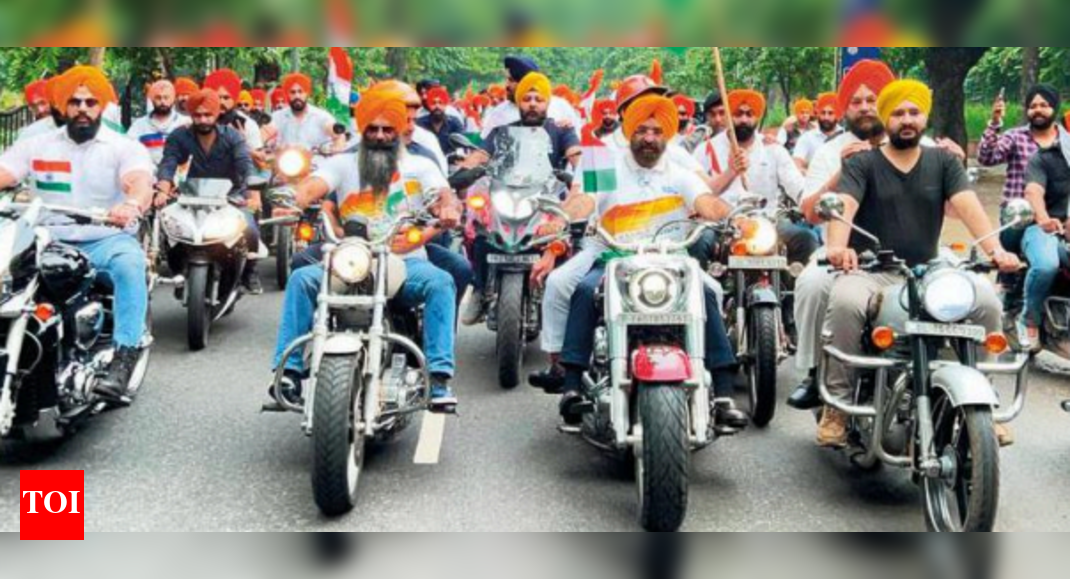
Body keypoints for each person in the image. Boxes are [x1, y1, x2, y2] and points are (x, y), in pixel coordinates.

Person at [818, 79, 1021, 448]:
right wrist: (837, 246)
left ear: (924, 117)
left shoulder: (943, 162)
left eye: (914, 112)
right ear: (886, 119)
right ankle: (839, 407)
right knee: (845, 302)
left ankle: (984, 403)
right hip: (872, 270)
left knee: (987, 301)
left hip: (929, 270)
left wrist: (996, 251)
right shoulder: (863, 163)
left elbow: (968, 206)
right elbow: (843, 205)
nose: (906, 119)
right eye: (898, 113)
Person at [553, 93, 748, 431]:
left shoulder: (678, 169)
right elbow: (585, 199)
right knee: (585, 291)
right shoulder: (606, 163)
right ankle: (571, 385)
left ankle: (724, 394)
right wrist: (561, 219)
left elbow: (706, 202)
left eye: (657, 132)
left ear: (667, 135)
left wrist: (737, 221)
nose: (649, 138)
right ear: (630, 131)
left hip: (672, 260)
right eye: (641, 130)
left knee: (709, 292)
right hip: (616, 257)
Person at [788, 60, 965, 412]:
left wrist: (957, 166)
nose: (866, 107)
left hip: (918, 255)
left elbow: (957, 210)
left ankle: (964, 379)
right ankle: (814, 371)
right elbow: (809, 212)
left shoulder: (923, 145)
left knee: (967, 287)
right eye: (857, 101)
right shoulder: (829, 150)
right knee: (811, 285)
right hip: (848, 256)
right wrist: (841, 172)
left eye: (873, 100)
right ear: (845, 108)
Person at [271, 90, 461, 414]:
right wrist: (293, 200)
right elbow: (313, 185)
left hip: (404, 261)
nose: (380, 136)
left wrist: (447, 209)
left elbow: (442, 194)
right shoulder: (342, 163)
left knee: (442, 282)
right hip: (350, 258)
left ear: (400, 130)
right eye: (372, 129)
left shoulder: (419, 165)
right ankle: (287, 373)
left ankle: (439, 378)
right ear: (362, 129)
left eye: (388, 130)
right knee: (302, 278)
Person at [0, 66, 154, 403]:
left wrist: (131, 204)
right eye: (74, 101)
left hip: (102, 237)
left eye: (90, 101)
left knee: (130, 266)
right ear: (61, 106)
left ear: (102, 107)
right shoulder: (36, 144)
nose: (82, 108)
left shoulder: (123, 147)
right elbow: (5, 172)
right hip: (43, 238)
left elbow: (140, 182)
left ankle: (122, 359)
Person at [460, 71, 582, 326]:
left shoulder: (561, 131)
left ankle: (562, 298)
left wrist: (581, 173)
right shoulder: (502, 131)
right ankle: (481, 289)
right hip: (507, 194)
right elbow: (481, 155)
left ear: (547, 103)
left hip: (547, 198)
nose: (533, 103)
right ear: (519, 101)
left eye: (539, 98)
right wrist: (461, 173)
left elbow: (576, 156)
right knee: (478, 229)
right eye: (527, 98)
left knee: (573, 237)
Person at [155, 89, 263, 295]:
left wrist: (252, 192)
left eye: (208, 114)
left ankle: (250, 272)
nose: (203, 119)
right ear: (191, 115)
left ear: (216, 114)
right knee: (171, 230)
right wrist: (163, 187)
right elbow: (168, 161)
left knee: (250, 228)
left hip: (231, 197)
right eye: (197, 115)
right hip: (192, 196)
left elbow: (245, 164)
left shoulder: (232, 137)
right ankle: (179, 273)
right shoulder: (180, 136)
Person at [703, 89, 818, 267]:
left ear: (757, 117)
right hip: (723, 225)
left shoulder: (773, 149)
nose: (743, 120)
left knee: (806, 239)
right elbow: (699, 194)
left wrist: (812, 203)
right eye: (738, 114)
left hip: (769, 222)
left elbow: (797, 185)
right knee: (701, 242)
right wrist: (730, 171)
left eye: (749, 114)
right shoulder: (706, 150)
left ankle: (791, 291)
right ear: (728, 116)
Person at [1017, 120, 1070, 350]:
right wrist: (1042, 217)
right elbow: (1033, 190)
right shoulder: (1045, 158)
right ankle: (1029, 319)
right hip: (1044, 228)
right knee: (1047, 264)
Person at [480, 55, 583, 139]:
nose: (506, 85)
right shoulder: (499, 112)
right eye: (506, 79)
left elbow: (577, 141)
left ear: (526, 82)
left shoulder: (560, 106)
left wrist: (564, 132)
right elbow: (486, 147)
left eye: (511, 80)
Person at [127, 80, 191, 166]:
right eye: (158, 98)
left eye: (166, 97)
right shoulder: (139, 125)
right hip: (147, 174)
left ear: (173, 99)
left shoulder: (185, 122)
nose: (162, 102)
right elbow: (128, 150)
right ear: (152, 99)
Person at [271, 73, 338, 151]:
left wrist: (336, 148)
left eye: (300, 92)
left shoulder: (321, 116)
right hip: (285, 161)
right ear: (287, 95)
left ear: (307, 93)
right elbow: (266, 133)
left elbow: (336, 134)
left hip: (317, 161)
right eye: (293, 92)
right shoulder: (277, 117)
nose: (297, 96)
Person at [792, 92, 843, 170]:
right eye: (823, 113)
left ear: (837, 115)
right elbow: (796, 164)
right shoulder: (807, 138)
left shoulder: (844, 136)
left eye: (830, 113)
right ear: (818, 114)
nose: (826, 117)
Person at [415, 86, 466, 158]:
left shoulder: (454, 123)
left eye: (440, 102)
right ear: (429, 105)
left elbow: (461, 147)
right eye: (433, 103)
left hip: (450, 163)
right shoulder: (419, 123)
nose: (437, 106)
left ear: (445, 105)